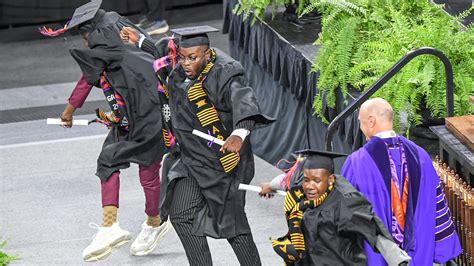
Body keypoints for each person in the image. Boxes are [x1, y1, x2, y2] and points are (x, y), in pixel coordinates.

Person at [121, 25, 274, 265]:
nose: (186, 63)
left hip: (222, 162)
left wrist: (239, 133)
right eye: (182, 57)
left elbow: (244, 99)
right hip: (190, 157)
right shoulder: (183, 67)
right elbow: (168, 60)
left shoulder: (226, 73)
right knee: (181, 215)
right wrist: (142, 41)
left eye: (192, 58)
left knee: (233, 225)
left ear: (207, 53)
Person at [40, 0, 171, 261]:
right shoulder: (118, 24)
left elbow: (86, 80)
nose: (86, 43)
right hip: (142, 108)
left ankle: (134, 225)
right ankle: (135, 224)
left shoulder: (103, 43)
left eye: (85, 37)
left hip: (144, 113)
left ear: (92, 32)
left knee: (121, 163)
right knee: (132, 166)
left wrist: (67, 113)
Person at [341, 98, 462, 265]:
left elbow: (346, 218)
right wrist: (440, 253)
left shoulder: (356, 163)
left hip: (376, 258)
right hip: (420, 257)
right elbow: (438, 209)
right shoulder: (422, 157)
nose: (361, 129)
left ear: (371, 121)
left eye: (361, 123)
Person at [271, 149, 411, 265]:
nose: (310, 186)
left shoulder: (346, 202)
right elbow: (287, 182)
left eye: (316, 181)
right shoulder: (301, 196)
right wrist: (270, 186)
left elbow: (372, 229)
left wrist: (398, 260)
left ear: (331, 179)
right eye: (306, 180)